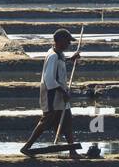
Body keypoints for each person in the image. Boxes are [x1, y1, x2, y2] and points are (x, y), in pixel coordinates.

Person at [21, 28, 81, 157]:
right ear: (59, 41)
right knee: (47, 120)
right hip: (52, 95)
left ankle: (72, 151)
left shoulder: (59, 54)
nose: (69, 44)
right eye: (67, 41)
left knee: (67, 121)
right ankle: (27, 147)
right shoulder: (53, 56)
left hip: (59, 95)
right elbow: (49, 79)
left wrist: (71, 59)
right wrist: (63, 92)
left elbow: (60, 65)